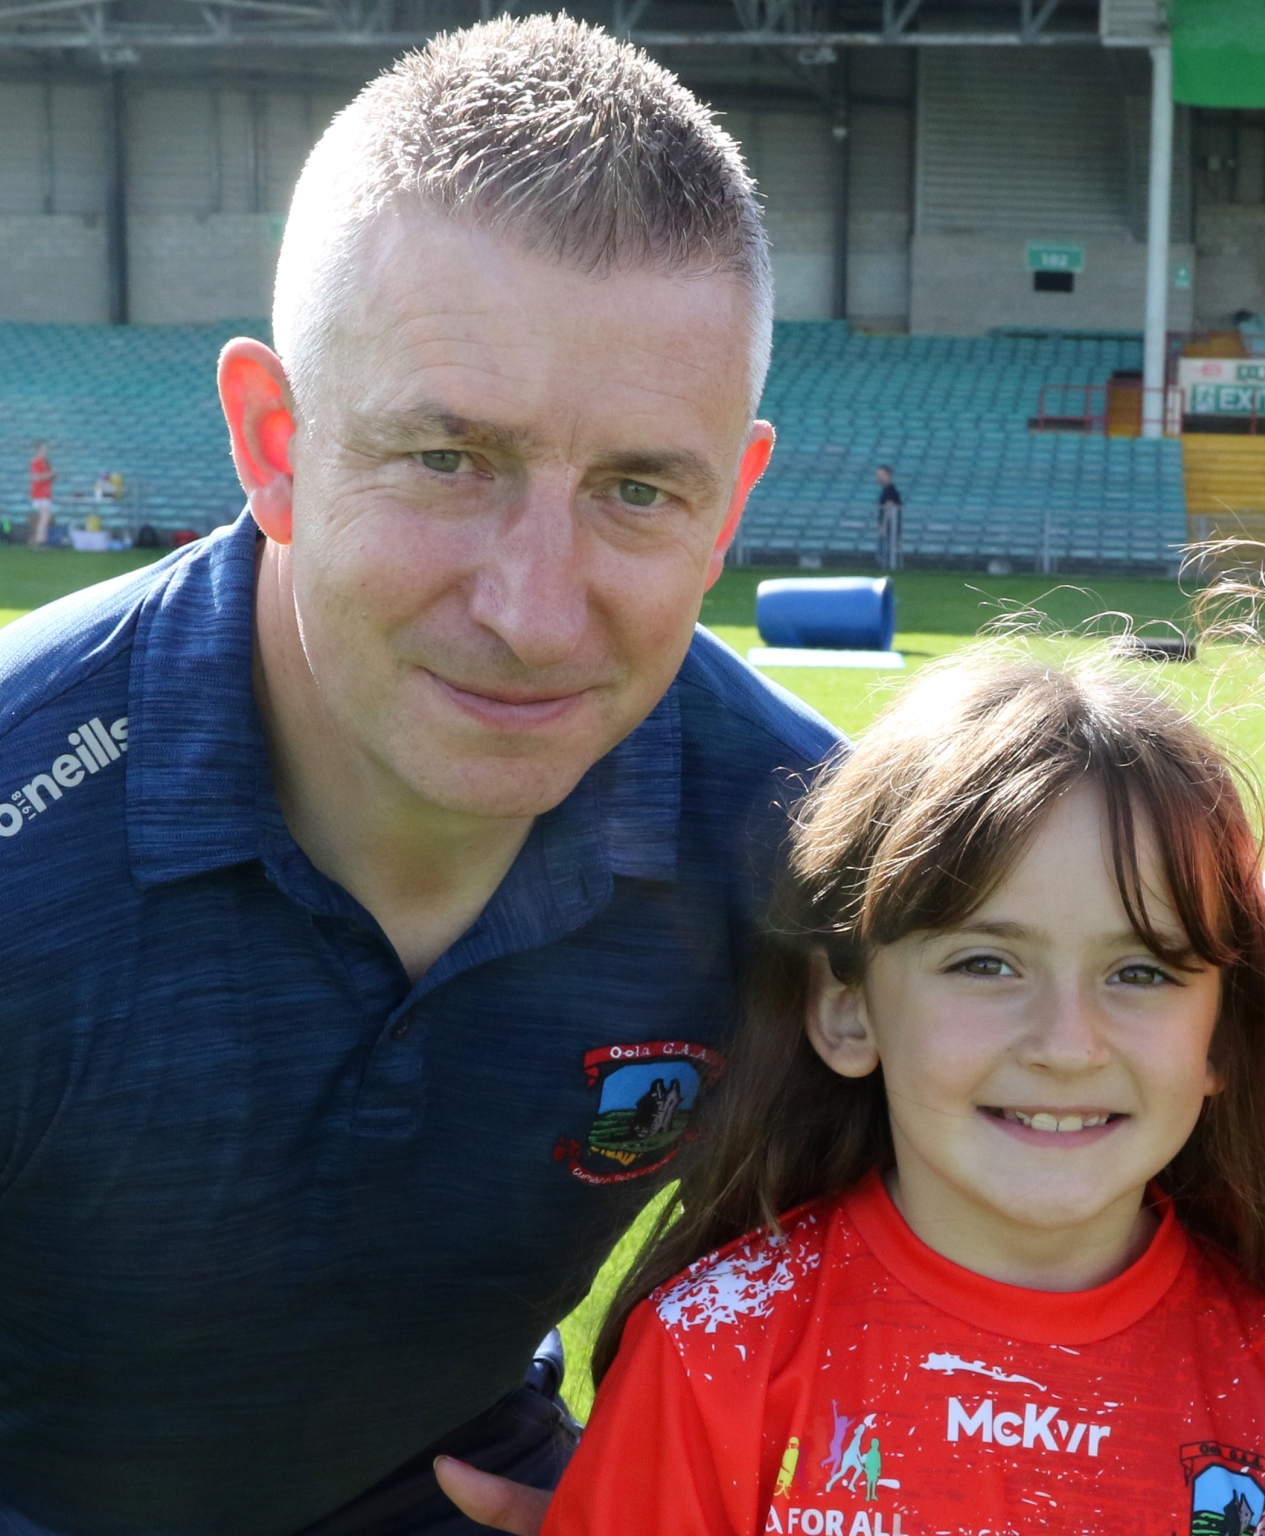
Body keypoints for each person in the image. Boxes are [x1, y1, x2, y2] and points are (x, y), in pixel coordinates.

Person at [0, 18, 835, 1536]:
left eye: (641, 491)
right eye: (449, 460)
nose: (532, 608)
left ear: (733, 509)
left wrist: (682, 1502)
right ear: (274, 441)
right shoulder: (16, 821)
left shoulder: (809, 848)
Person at [450, 658, 1265, 1534]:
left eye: (1140, 972)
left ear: (1221, 1035)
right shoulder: (716, 1352)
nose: (1066, 1043)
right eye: (986, 963)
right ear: (848, 1009)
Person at [875, 463, 902, 570]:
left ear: (888, 475)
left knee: (885, 553)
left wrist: (884, 525)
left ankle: (887, 569)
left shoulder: (889, 489)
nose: (878, 477)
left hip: (889, 528)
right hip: (890, 527)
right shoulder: (888, 489)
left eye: (880, 475)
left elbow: (889, 507)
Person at [27, 440, 54, 546]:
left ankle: (40, 538)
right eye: (43, 450)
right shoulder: (36, 462)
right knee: (45, 515)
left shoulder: (44, 462)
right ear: (38, 450)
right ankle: (39, 539)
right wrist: (51, 474)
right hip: (40, 492)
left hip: (45, 492)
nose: (46, 452)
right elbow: (36, 477)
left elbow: (47, 479)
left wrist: (52, 475)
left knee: (45, 516)